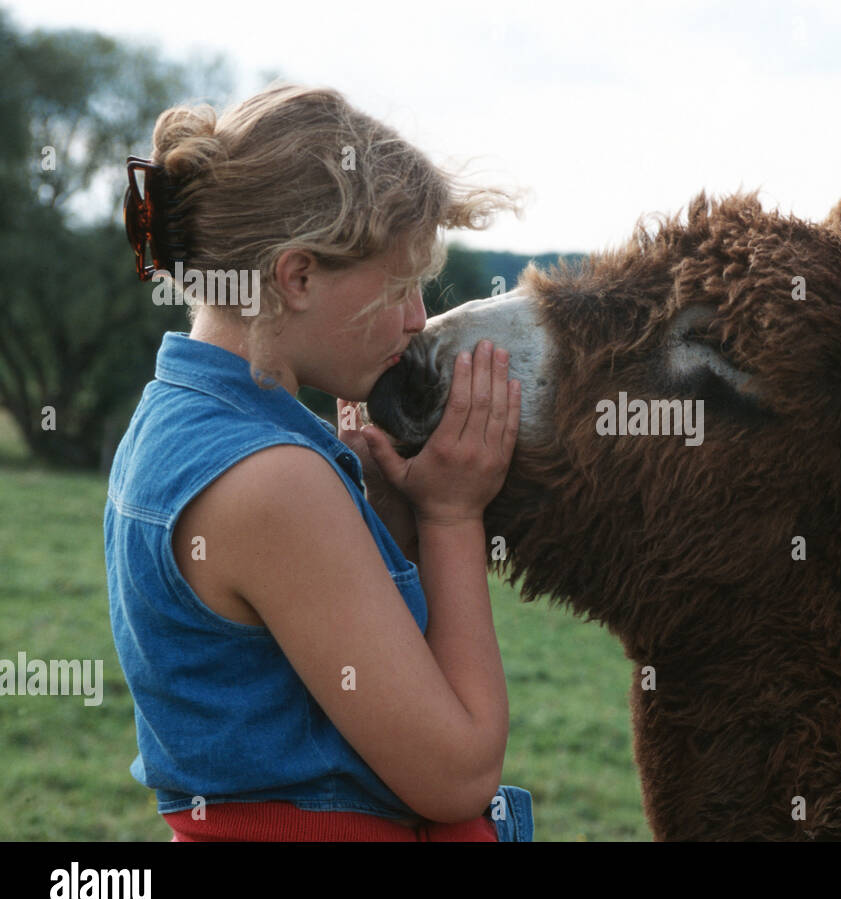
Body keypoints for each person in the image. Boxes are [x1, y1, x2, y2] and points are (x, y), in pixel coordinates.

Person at [105, 83, 532, 841]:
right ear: (296, 278)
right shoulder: (273, 479)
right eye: (401, 284)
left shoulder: (170, 424)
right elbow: (457, 775)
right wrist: (452, 516)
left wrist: (385, 529)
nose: (417, 317)